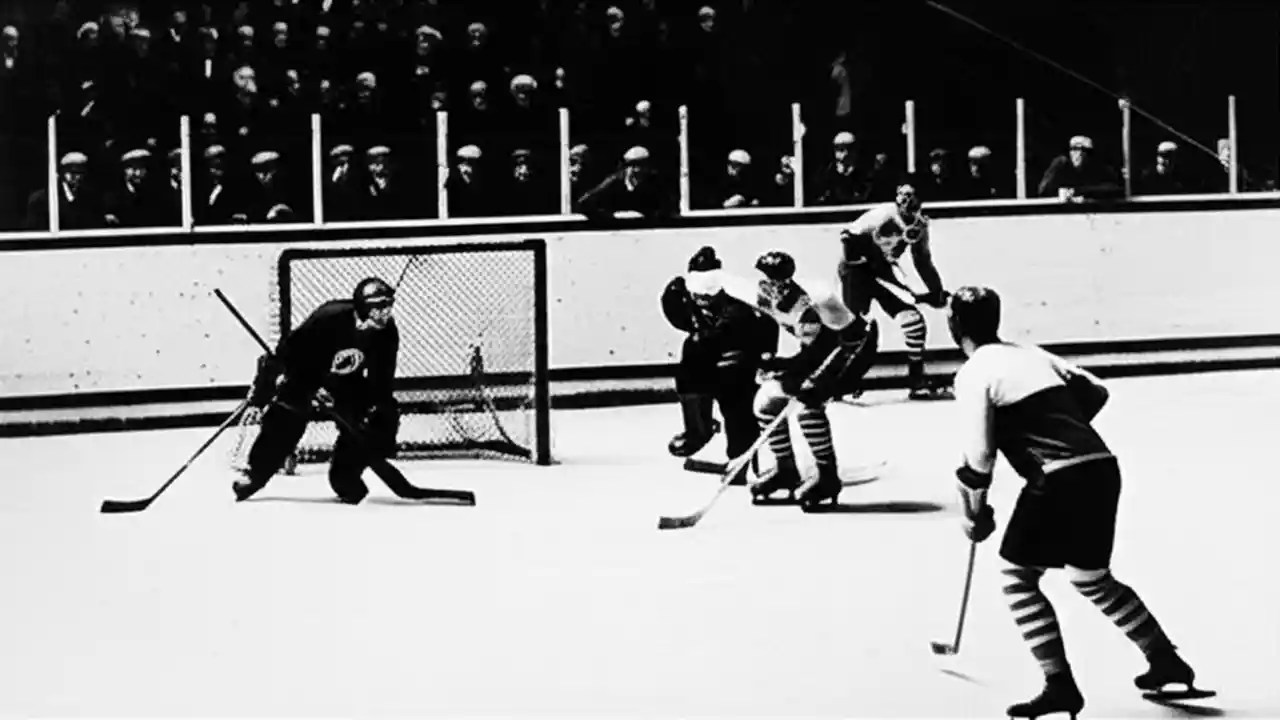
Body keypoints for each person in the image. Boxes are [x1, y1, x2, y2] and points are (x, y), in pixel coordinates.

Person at [947, 286, 1210, 719]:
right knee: (1091, 578)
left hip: (1057, 477)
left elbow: (979, 460)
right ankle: (1166, 660)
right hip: (1101, 467)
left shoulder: (974, 373)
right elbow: (1095, 390)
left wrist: (975, 512)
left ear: (954, 325)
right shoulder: (1031, 354)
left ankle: (1060, 687)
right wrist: (1061, 423)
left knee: (1017, 579)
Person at [725, 250, 879, 509]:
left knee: (808, 408)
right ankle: (786, 470)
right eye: (766, 279)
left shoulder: (816, 299)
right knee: (767, 400)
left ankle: (827, 478)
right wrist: (776, 364)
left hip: (853, 350)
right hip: (820, 351)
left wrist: (819, 379)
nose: (771, 287)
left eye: (777, 281)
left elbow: (849, 342)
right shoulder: (762, 297)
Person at [233, 277, 401, 505]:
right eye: (378, 307)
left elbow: (381, 381)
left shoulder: (387, 333)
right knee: (285, 416)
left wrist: (372, 419)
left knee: (379, 415)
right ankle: (255, 475)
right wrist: (259, 399)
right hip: (306, 378)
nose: (384, 312)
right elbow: (283, 356)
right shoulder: (329, 317)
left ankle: (346, 478)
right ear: (363, 307)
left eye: (388, 305)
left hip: (346, 384)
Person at [661, 246, 778, 484]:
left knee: (737, 403)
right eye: (697, 295)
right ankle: (697, 429)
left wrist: (766, 358)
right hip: (708, 352)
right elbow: (680, 319)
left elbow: (768, 324)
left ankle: (740, 458)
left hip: (739, 354)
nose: (702, 300)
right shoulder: (677, 293)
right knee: (688, 368)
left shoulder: (740, 297)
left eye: (708, 296)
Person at [838, 183, 950, 400]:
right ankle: (845, 380)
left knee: (913, 321)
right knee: (854, 328)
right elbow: (847, 236)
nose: (907, 201)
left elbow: (922, 261)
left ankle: (916, 378)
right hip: (857, 271)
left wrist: (936, 290)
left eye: (912, 196)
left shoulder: (919, 225)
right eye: (902, 196)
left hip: (883, 272)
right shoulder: (883, 215)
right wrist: (859, 268)